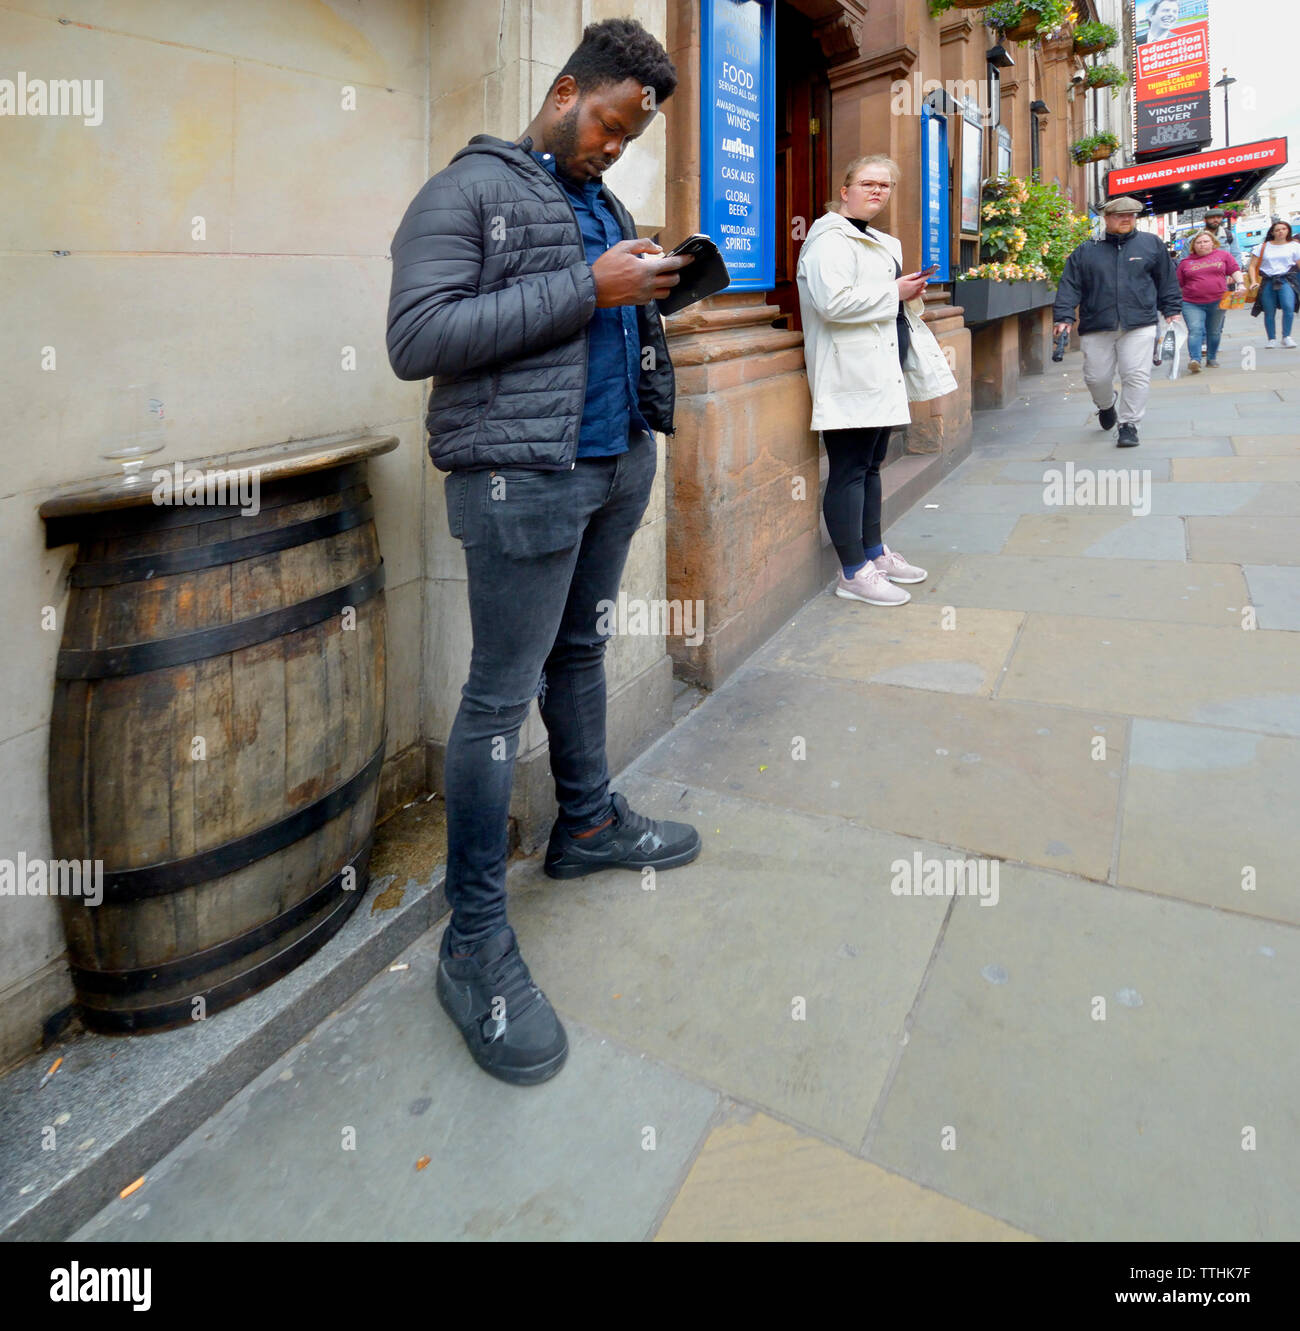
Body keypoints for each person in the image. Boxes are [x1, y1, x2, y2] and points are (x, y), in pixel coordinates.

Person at [386, 18, 701, 1087]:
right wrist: (589, 288)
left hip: (613, 464)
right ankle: (473, 940)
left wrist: (653, 287)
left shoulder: (601, 202)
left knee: (581, 653)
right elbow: (418, 337)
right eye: (608, 125)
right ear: (565, 91)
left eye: (630, 137)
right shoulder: (462, 191)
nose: (614, 148)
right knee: (495, 699)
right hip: (520, 479)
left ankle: (588, 821)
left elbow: (598, 314)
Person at [795, 155, 958, 606]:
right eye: (867, 183)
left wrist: (907, 291)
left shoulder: (881, 241)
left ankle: (874, 553)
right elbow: (832, 303)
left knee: (871, 465)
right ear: (844, 191)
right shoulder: (828, 239)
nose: (877, 191)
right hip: (849, 372)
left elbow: (878, 300)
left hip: (884, 369)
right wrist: (895, 292)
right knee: (849, 470)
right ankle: (853, 572)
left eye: (885, 186)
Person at [1052, 195, 1182, 447]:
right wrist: (1064, 317)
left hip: (1140, 322)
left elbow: (1167, 279)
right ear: (1106, 218)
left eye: (1131, 215)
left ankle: (1129, 425)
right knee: (1096, 378)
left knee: (1136, 375)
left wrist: (1172, 309)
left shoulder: (1151, 244)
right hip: (1097, 323)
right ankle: (1106, 404)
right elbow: (1070, 285)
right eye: (1120, 216)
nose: (1126, 219)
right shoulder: (1086, 250)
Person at [1176, 230, 1244, 371]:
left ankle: (1211, 358)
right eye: (1198, 242)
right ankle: (1195, 360)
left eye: (1206, 241)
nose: (1202, 245)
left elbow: (1234, 269)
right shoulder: (1185, 263)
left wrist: (1241, 284)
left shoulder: (1223, 255)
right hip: (1191, 303)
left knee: (1214, 331)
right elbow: (1178, 284)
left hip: (1218, 300)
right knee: (1195, 330)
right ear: (1193, 246)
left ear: (1213, 243)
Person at [1248, 220, 1300, 348]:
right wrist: (1253, 281)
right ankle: (1271, 338)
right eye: (1277, 230)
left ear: (1288, 231)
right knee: (1269, 310)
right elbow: (1252, 266)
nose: (1281, 232)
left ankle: (1286, 336)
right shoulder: (1262, 247)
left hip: (1286, 279)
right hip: (1268, 280)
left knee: (1288, 306)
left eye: (1284, 229)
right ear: (1272, 232)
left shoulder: (1294, 246)